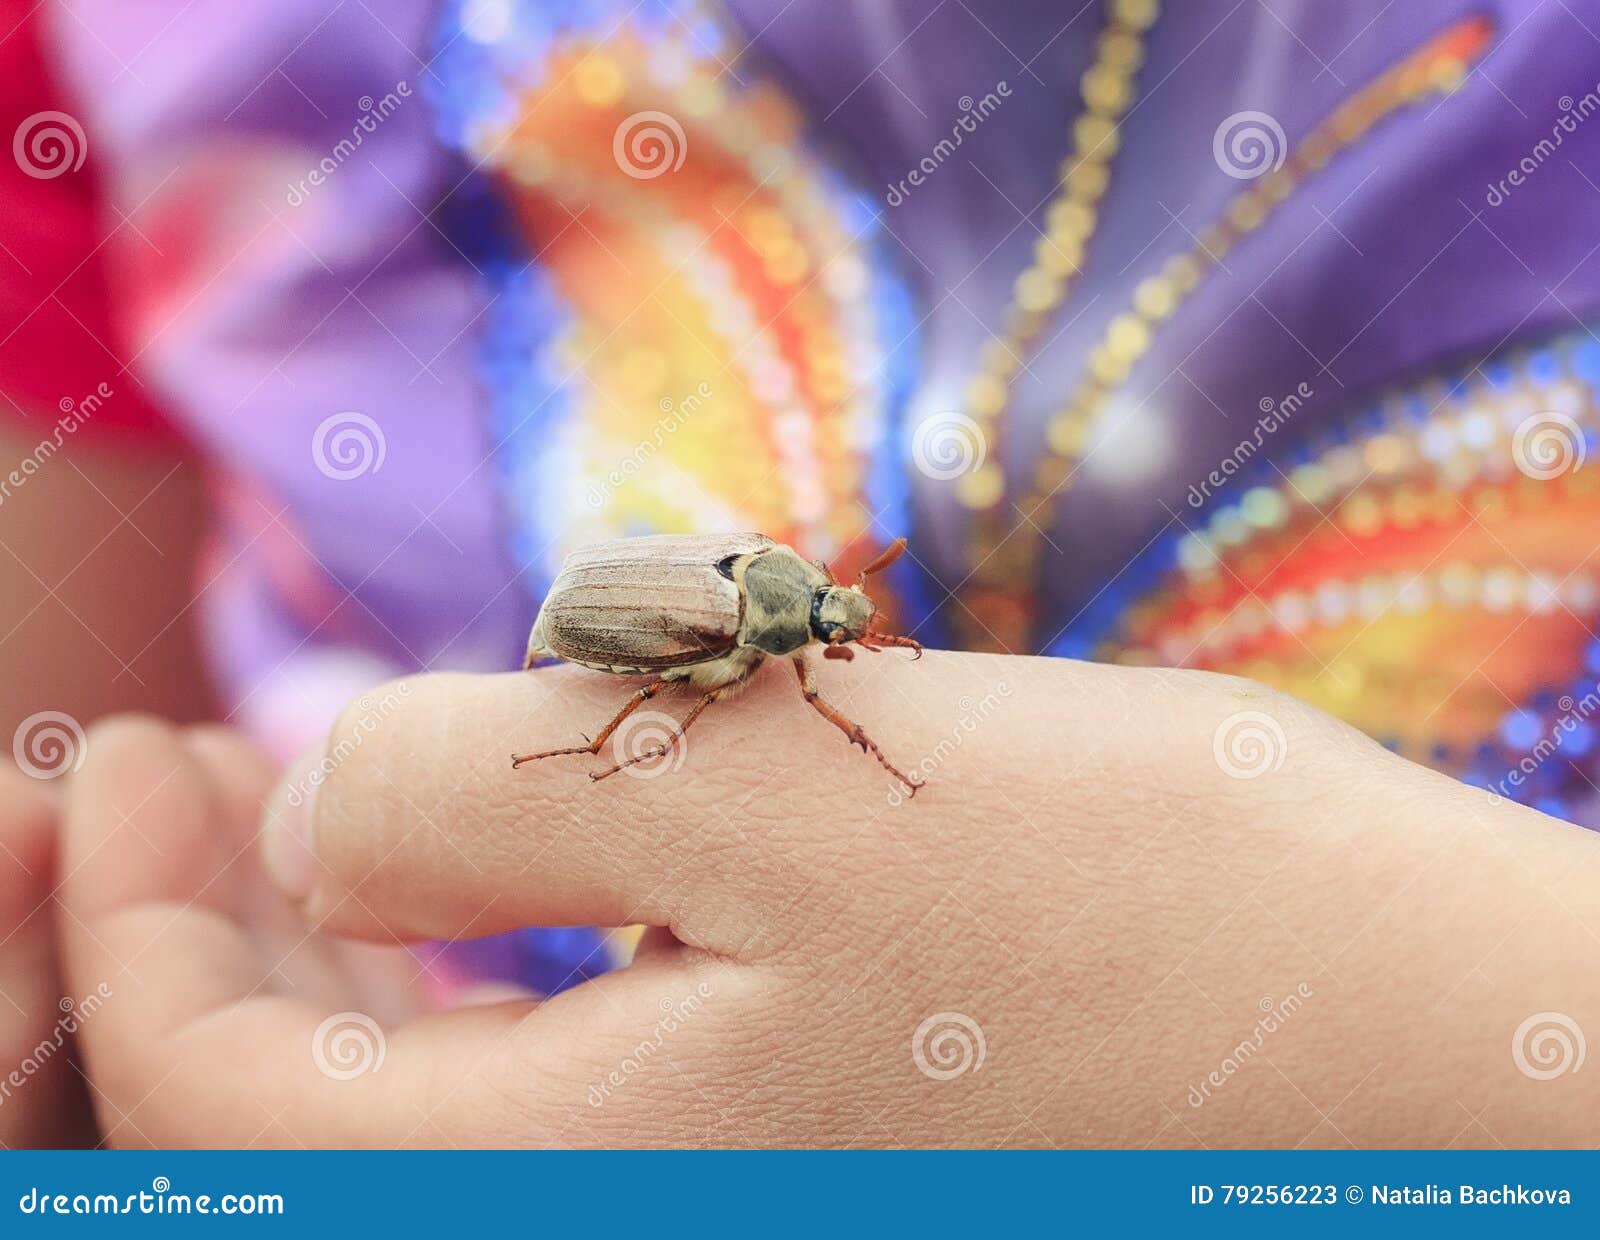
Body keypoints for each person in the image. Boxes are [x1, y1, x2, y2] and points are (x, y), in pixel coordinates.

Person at [4, 0, 1600, 1146]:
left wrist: (1468, 1047)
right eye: (833, 618)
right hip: (388, 996)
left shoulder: (793, 623)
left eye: (833, 620)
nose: (842, 633)